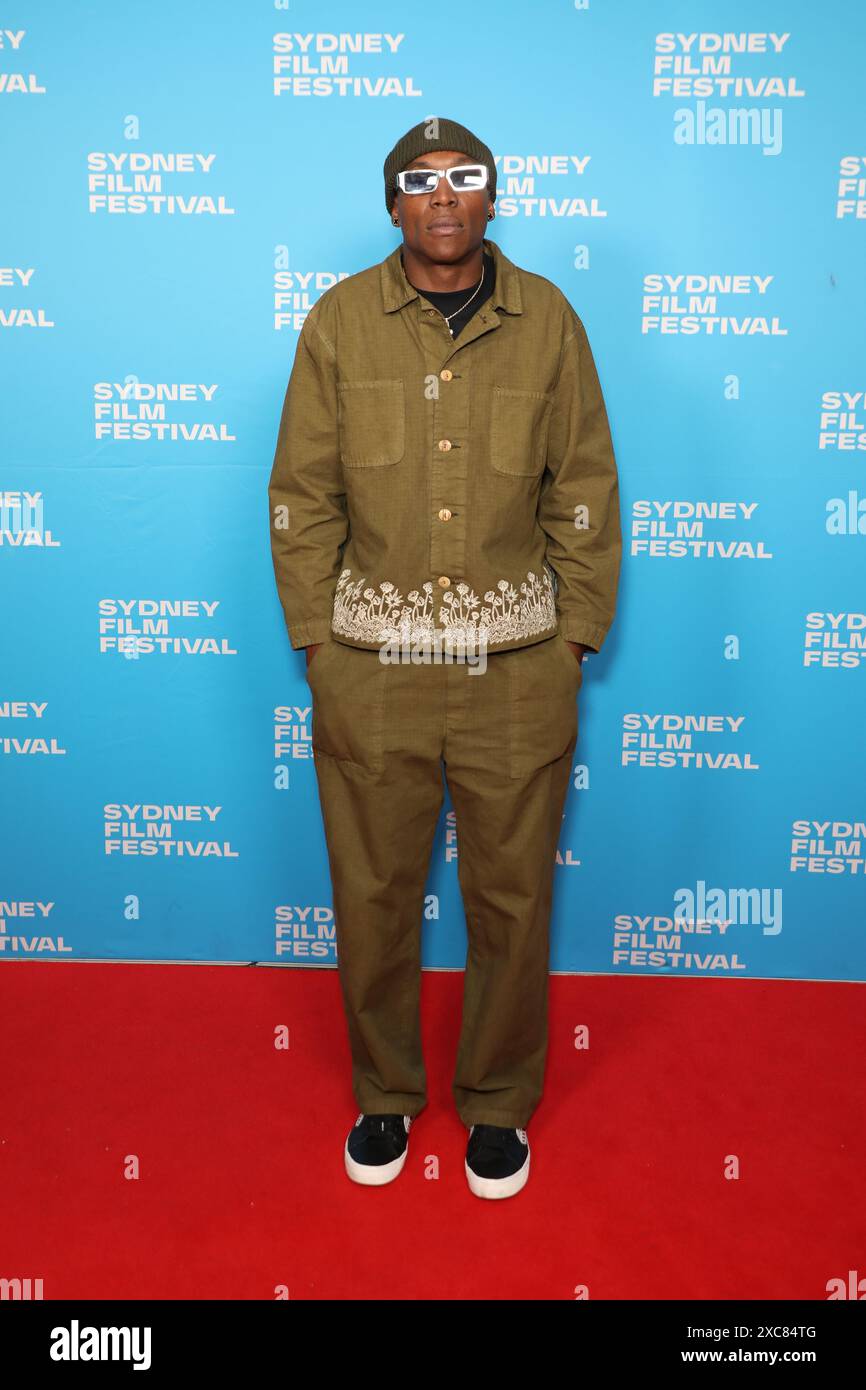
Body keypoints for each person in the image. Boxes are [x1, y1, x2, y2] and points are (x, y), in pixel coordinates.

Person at [268, 117, 622, 1200]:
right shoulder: (336, 324)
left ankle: (499, 1104)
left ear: (490, 198)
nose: (441, 197)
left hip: (516, 673)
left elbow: (586, 490)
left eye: (462, 179)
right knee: (370, 890)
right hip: (369, 672)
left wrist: (569, 639)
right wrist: (322, 645)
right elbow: (303, 495)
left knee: (512, 899)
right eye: (417, 182)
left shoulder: (549, 322)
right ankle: (384, 1093)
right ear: (391, 205)